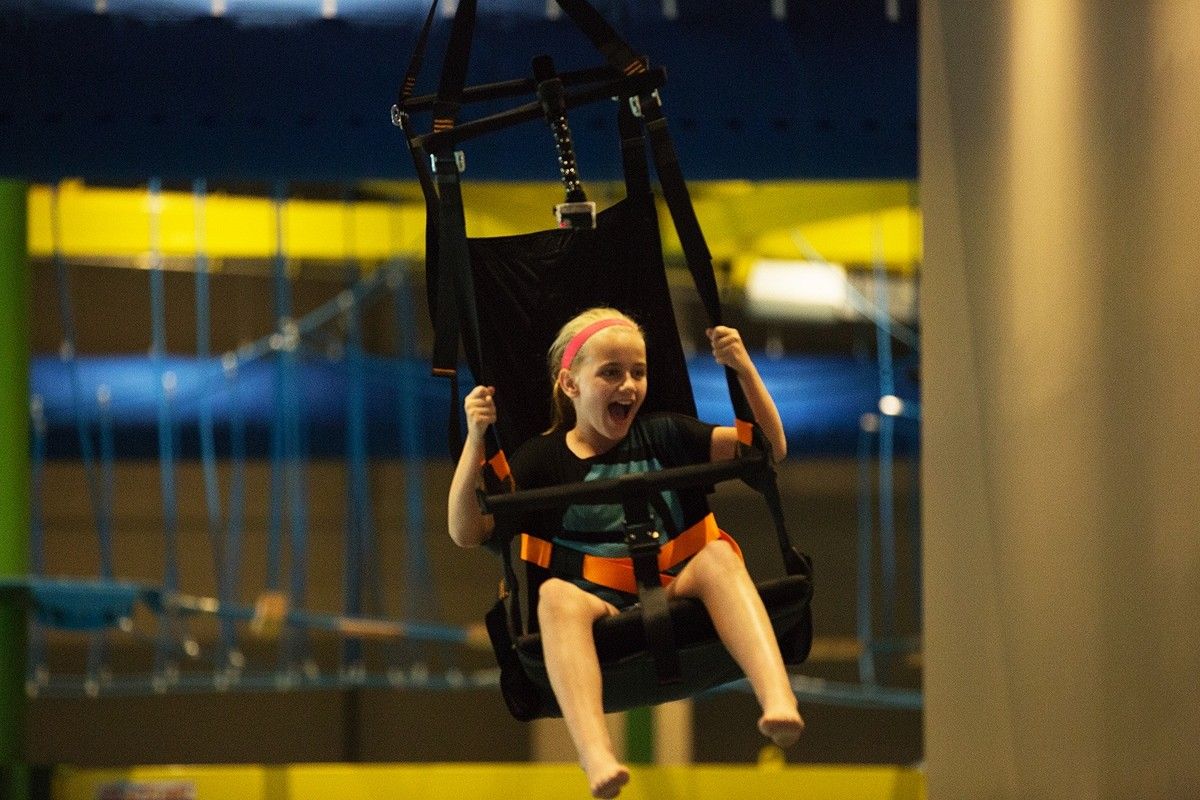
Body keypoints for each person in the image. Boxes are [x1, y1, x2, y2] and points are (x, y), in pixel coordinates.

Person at [448, 307, 803, 799]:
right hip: (599, 605)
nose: (629, 386)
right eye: (611, 373)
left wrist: (743, 369)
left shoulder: (663, 434)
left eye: (637, 372)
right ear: (570, 385)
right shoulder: (543, 460)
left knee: (720, 557)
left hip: (676, 584)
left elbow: (768, 449)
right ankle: (595, 752)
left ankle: (777, 695)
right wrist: (475, 441)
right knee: (554, 598)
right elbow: (467, 531)